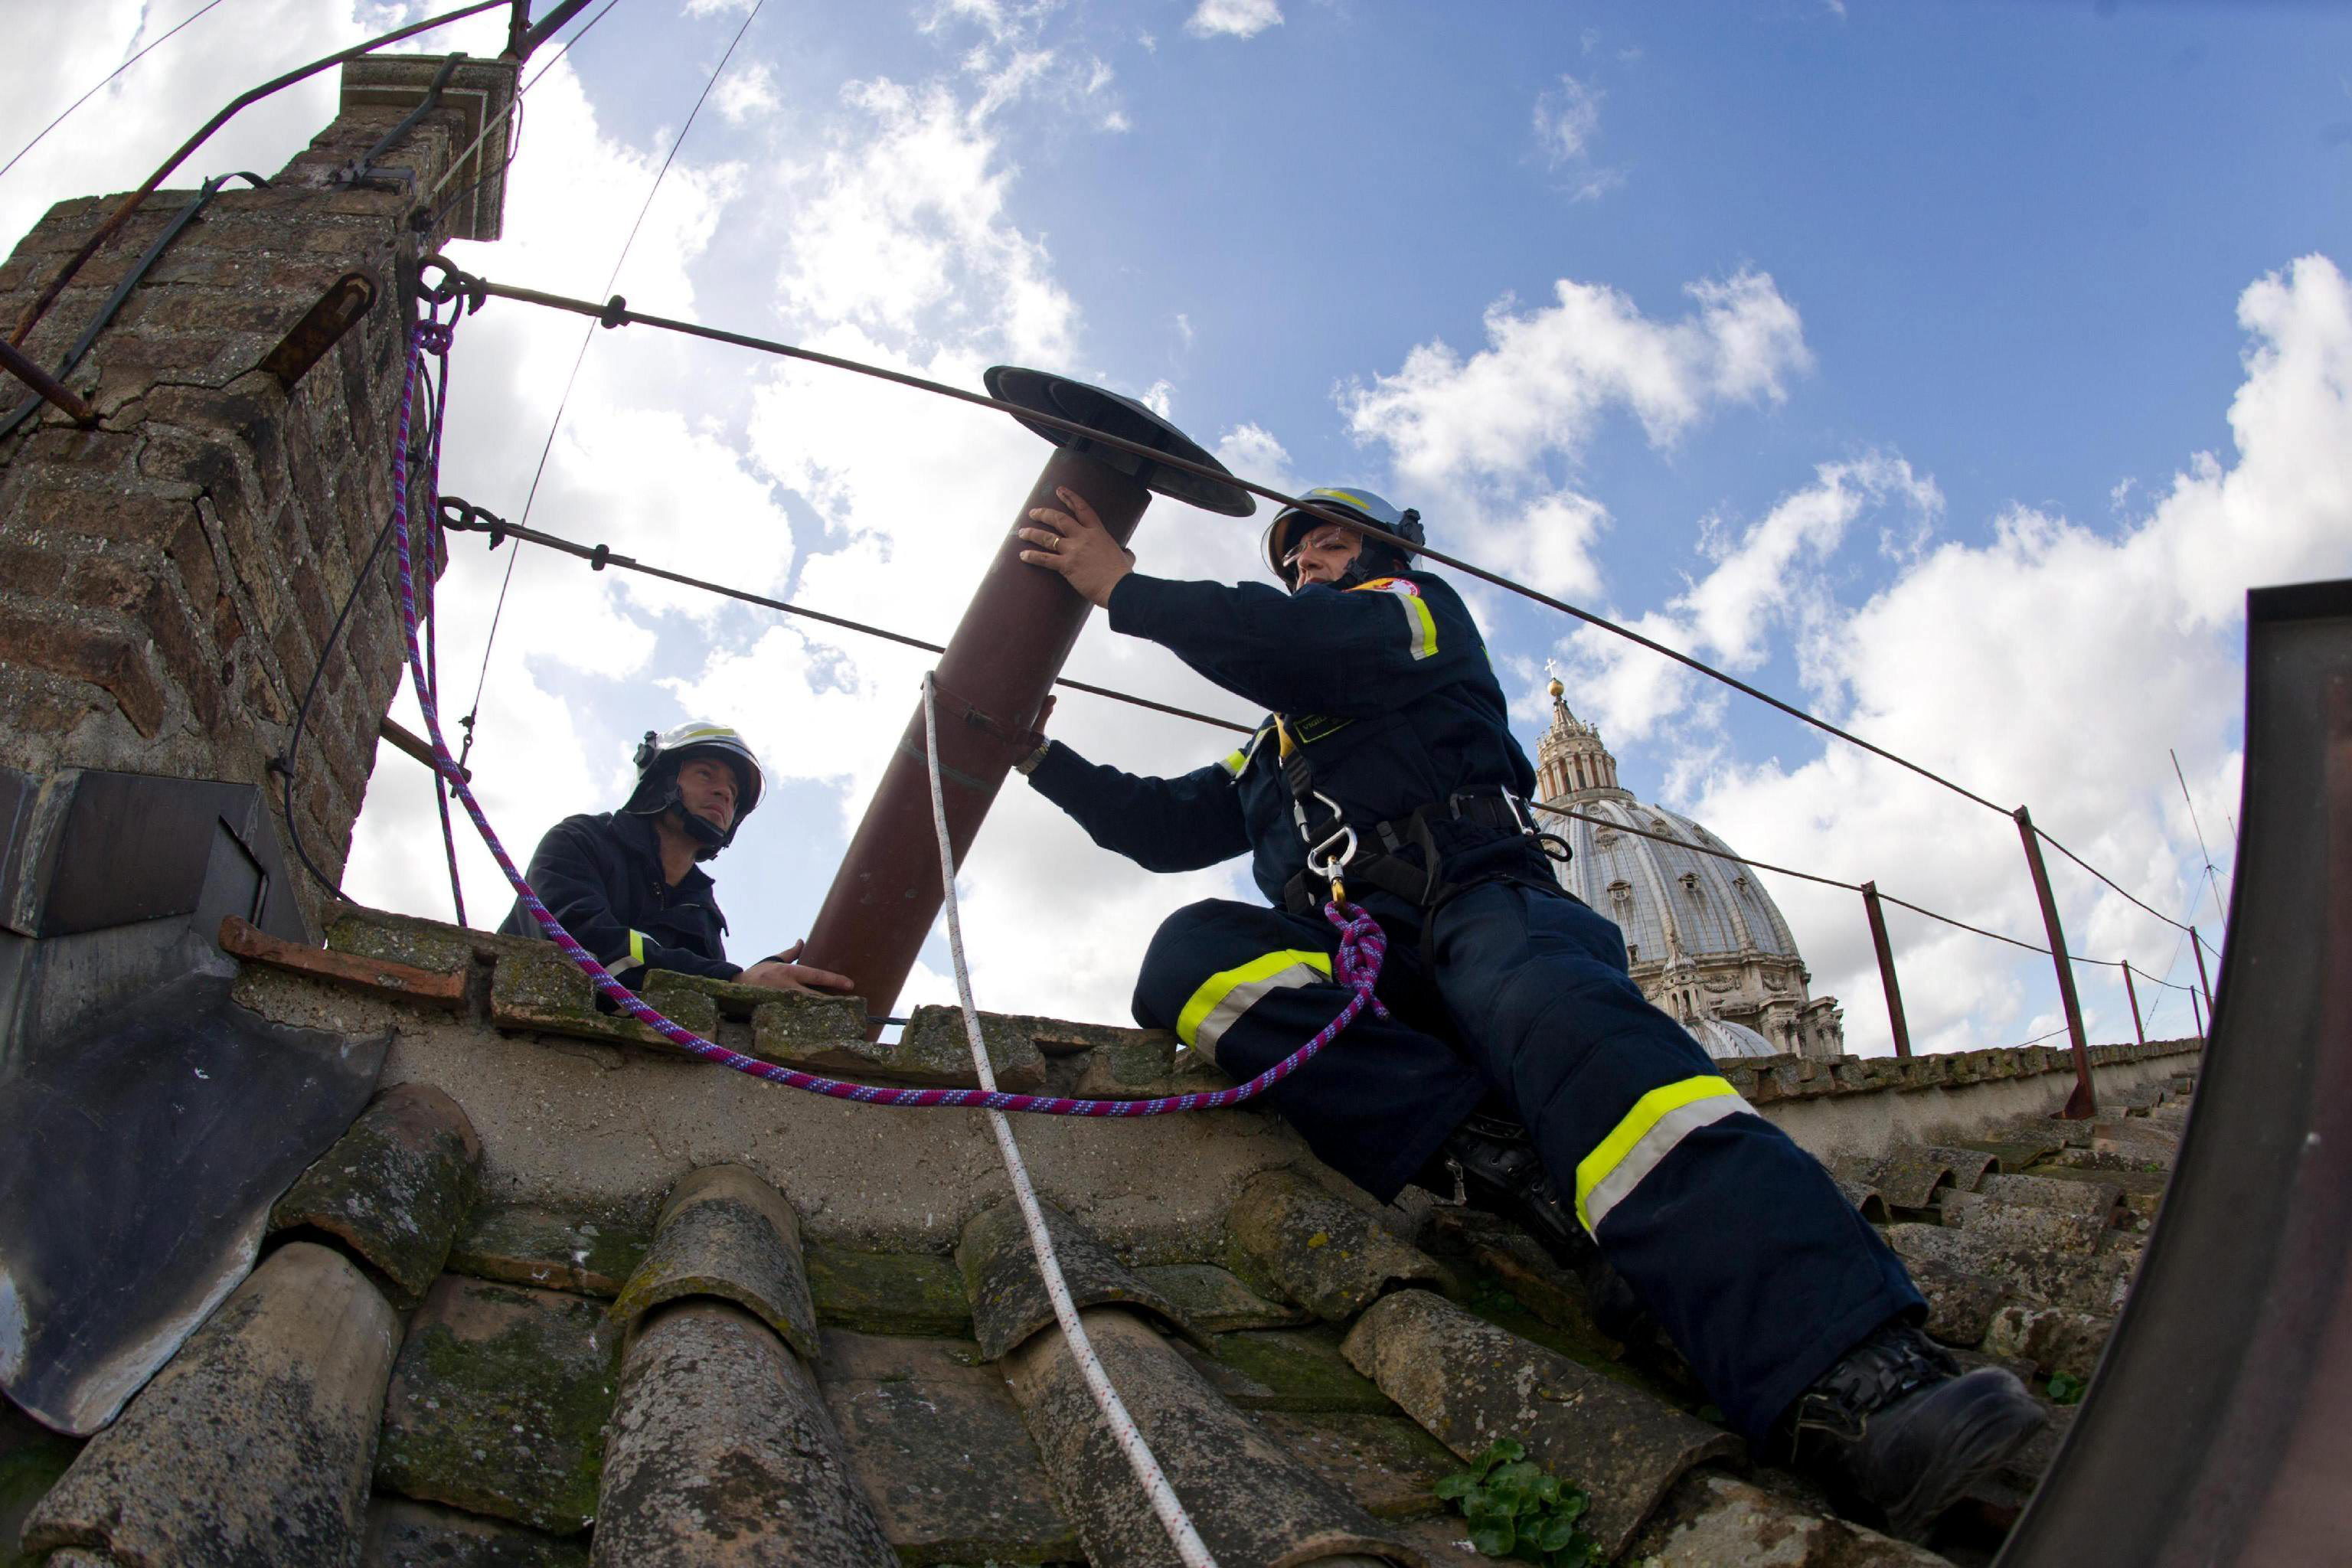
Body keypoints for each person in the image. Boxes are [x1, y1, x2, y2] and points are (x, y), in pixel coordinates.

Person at [1008, 483, 2045, 1540]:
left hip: (1482, 898)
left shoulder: (1411, 616)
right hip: (1371, 954)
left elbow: (1287, 643)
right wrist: (1045, 762)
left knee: (1560, 1019)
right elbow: (1167, 825)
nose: (1309, 559)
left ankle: (1855, 1371)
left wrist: (1125, 589)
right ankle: (1491, 1152)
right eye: (1295, 554)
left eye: (1329, 541)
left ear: (1383, 555)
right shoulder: (1271, 746)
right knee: (1188, 957)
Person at [499, 720, 852, 998]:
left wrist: (755, 991)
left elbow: (700, 1003)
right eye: (706, 774)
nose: (724, 793)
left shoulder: (701, 910)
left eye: (734, 791)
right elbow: (580, 946)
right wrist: (733, 980)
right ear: (659, 779)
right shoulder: (579, 841)